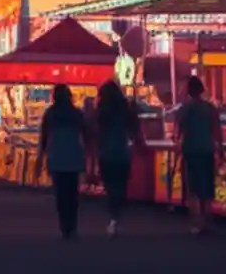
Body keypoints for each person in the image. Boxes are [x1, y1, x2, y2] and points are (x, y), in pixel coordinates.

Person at [35, 84, 90, 240]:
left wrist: (40, 159)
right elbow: (86, 135)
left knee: (60, 194)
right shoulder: (77, 114)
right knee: (73, 194)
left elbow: (43, 139)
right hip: (73, 156)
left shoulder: (50, 114)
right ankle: (72, 225)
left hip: (56, 156)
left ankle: (64, 225)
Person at [94, 79, 144, 236]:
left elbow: (96, 133)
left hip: (106, 153)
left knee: (110, 187)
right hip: (122, 152)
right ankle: (116, 216)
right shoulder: (126, 110)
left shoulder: (102, 112)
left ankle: (113, 217)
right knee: (120, 186)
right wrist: (139, 144)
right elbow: (135, 131)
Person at [175, 75, 223, 235]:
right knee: (207, 187)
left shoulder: (184, 109)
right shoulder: (210, 108)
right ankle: (208, 220)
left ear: (189, 91)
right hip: (207, 150)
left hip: (191, 150)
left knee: (193, 188)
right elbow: (217, 131)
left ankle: (196, 222)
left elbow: (178, 133)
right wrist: (220, 150)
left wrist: (178, 149)